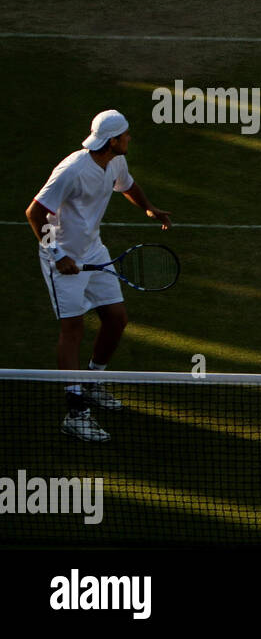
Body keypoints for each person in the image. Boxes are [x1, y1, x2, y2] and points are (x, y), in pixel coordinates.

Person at [25, 109, 173, 442]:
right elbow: (35, 212)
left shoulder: (115, 161)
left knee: (116, 318)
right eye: (125, 135)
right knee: (73, 327)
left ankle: (91, 381)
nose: (129, 139)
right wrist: (58, 255)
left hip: (94, 251)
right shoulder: (72, 171)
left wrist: (149, 207)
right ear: (112, 141)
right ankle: (76, 413)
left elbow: (128, 185)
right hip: (61, 257)